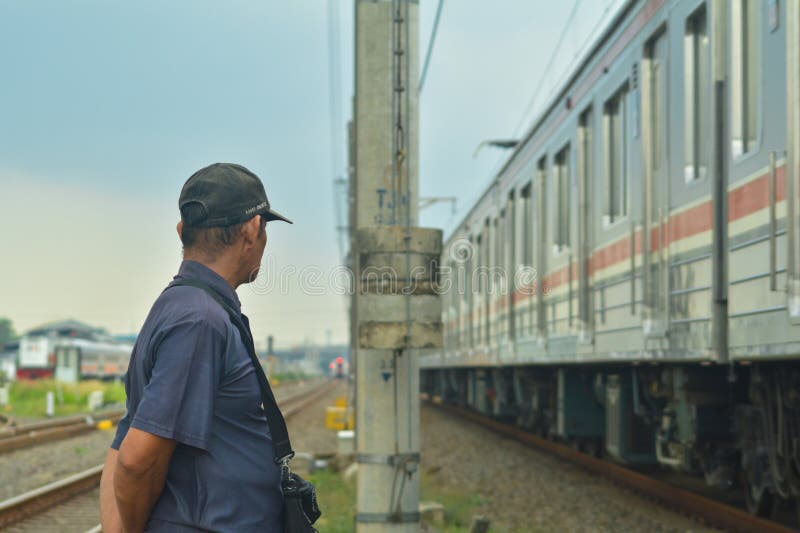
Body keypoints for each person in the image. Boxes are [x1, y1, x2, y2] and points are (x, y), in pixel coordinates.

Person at [99, 163, 292, 532]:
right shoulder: (201, 321)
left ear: (181, 231)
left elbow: (121, 443)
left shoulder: (178, 307)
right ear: (252, 231)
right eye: (264, 228)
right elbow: (135, 461)